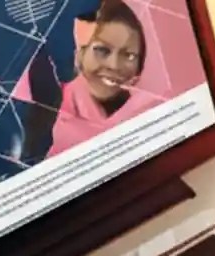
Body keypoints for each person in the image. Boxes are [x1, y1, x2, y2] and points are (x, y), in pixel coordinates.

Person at [21, 0, 161, 161]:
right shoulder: (44, 111)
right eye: (102, 50)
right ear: (80, 53)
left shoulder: (153, 109)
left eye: (129, 55)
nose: (114, 65)